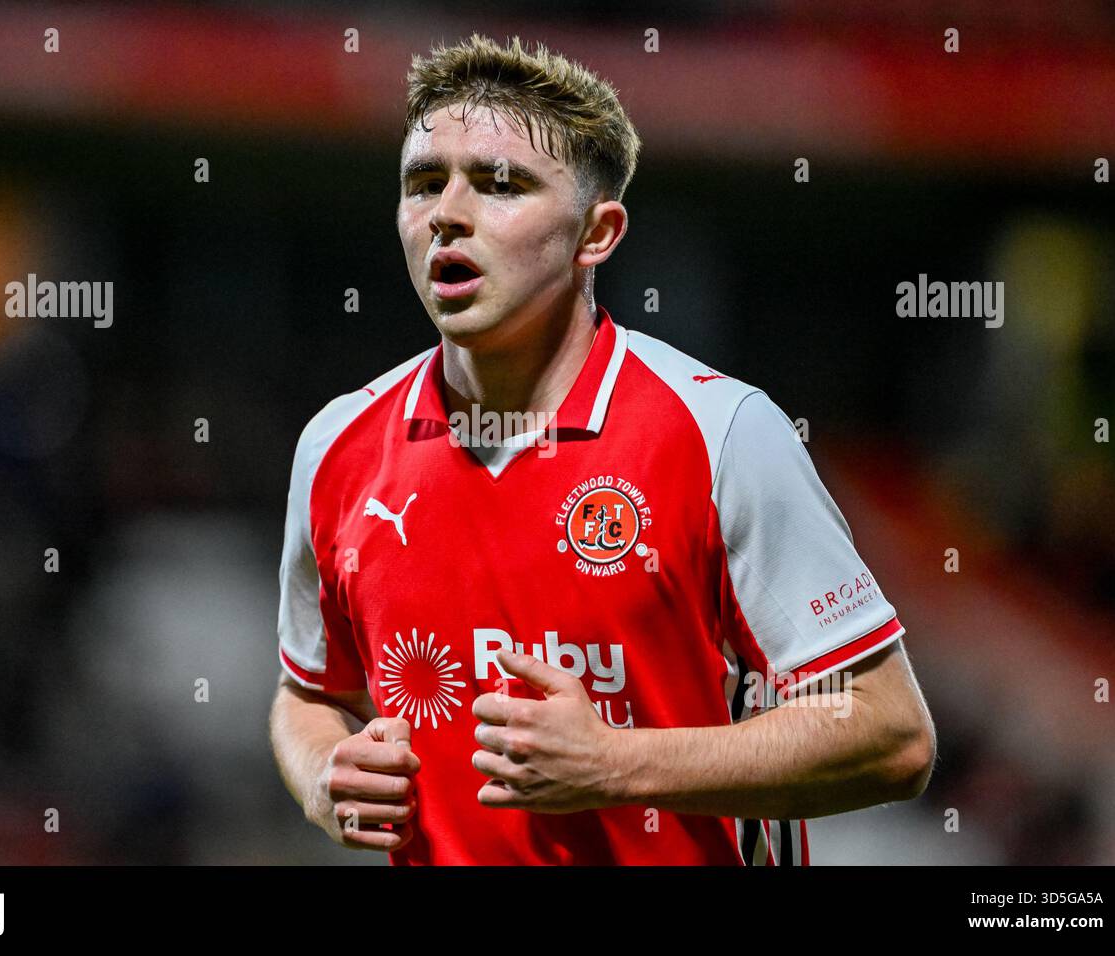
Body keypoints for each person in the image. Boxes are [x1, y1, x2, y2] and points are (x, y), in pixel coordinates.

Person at [268, 33, 936, 865]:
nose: (448, 212)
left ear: (597, 233)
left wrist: (617, 763)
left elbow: (891, 735)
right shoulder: (337, 446)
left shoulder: (723, 434)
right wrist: (322, 772)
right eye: (424, 182)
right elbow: (306, 692)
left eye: (500, 184)